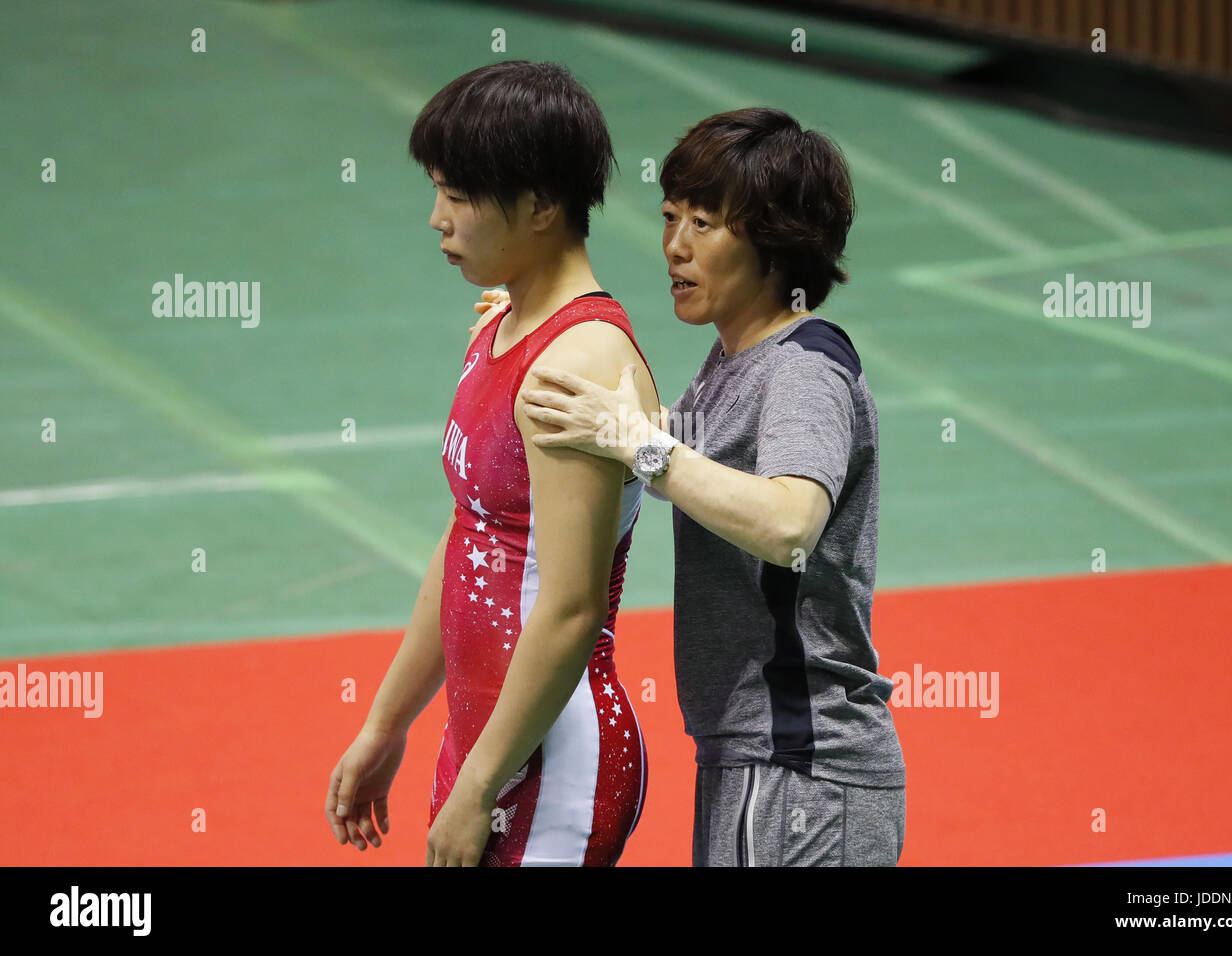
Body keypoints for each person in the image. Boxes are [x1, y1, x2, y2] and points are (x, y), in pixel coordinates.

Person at [477, 107, 906, 866]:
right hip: (752, 756)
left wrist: (639, 442)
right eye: (671, 216)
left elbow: (789, 523)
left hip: (804, 765)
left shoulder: (805, 368)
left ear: (774, 241)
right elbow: (641, 438)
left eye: (704, 223)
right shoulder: (729, 365)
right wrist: (531, 333)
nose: (675, 244)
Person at [324, 60, 661, 867]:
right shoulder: (501, 323)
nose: (437, 219)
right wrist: (387, 724)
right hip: (485, 745)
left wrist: (480, 788)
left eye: (460, 195)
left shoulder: (579, 363)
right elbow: (471, 544)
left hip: (554, 760)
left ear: (542, 205)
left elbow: (572, 609)